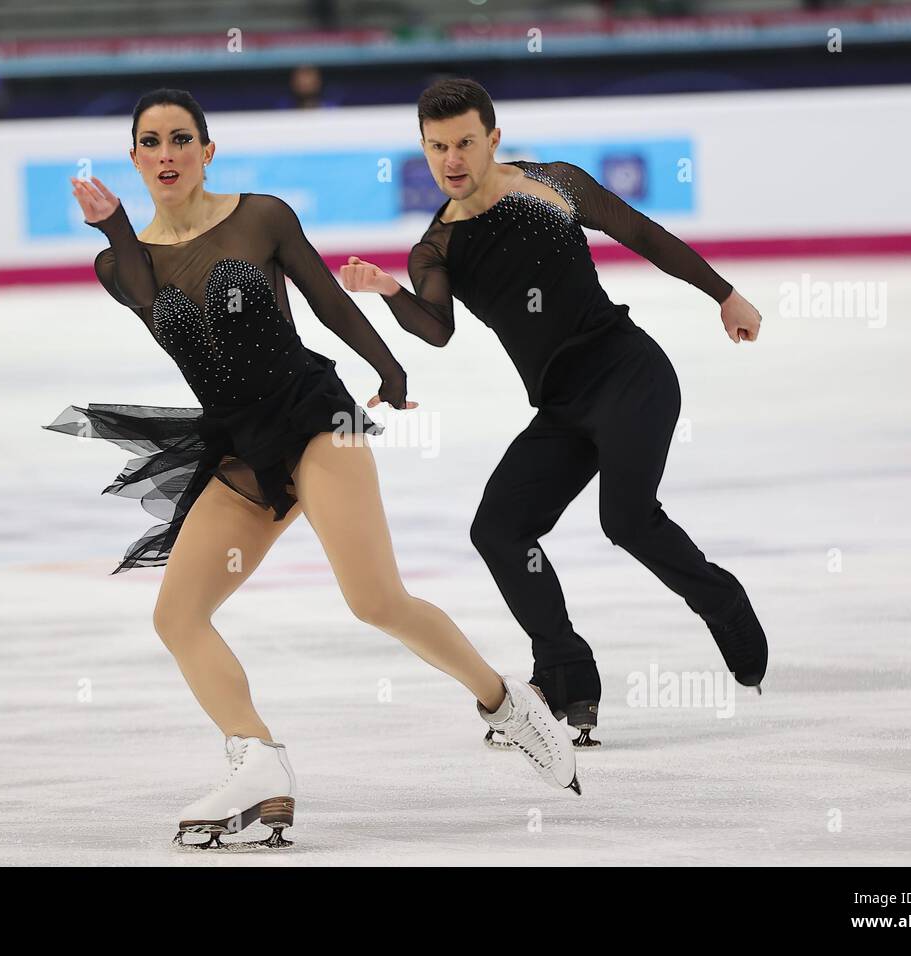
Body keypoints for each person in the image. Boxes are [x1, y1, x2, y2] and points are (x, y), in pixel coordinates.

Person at [43, 88, 580, 849]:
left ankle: (505, 704)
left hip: (314, 418)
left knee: (376, 601)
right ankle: (255, 758)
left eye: (181, 140)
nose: (167, 154)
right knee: (177, 616)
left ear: (207, 150)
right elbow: (143, 291)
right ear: (134, 157)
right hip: (239, 449)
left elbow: (326, 299)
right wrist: (116, 225)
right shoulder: (117, 262)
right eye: (152, 142)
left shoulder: (262, 215)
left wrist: (387, 364)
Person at [340, 78, 769, 750]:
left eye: (464, 143)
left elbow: (642, 233)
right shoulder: (438, 246)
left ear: (493, 139)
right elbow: (437, 328)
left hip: (629, 372)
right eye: (437, 147)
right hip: (563, 408)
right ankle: (566, 672)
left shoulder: (553, 185)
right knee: (499, 529)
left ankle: (719, 599)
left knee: (625, 520)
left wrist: (725, 294)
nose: (451, 159)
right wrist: (389, 290)